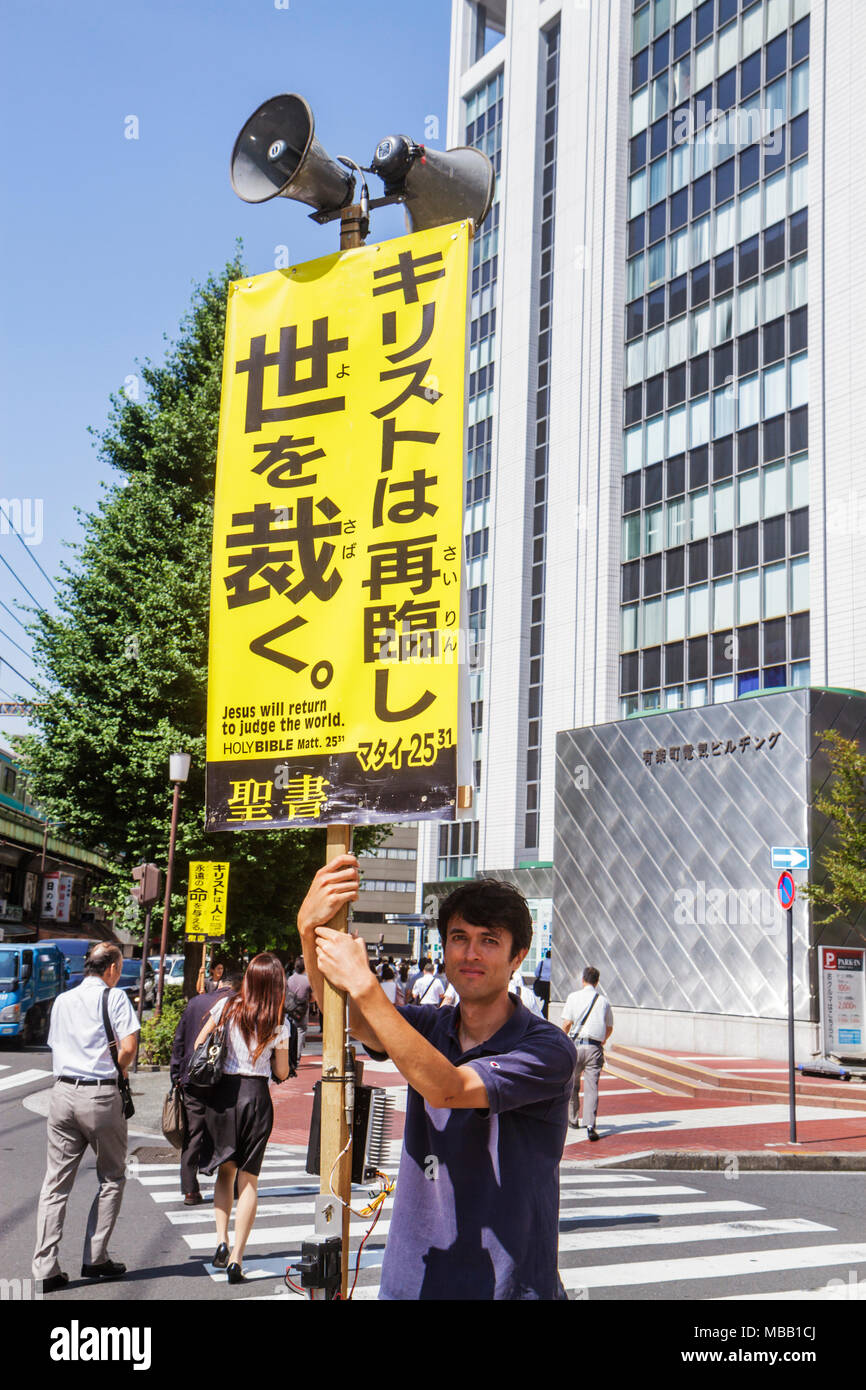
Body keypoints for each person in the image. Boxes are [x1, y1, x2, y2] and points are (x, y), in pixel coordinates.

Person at [299, 859, 576, 1301]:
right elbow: (352, 1022)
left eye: (489, 941)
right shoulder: (430, 1025)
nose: (471, 953)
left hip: (506, 1289)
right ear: (443, 947)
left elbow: (449, 1089)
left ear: (517, 957)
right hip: (413, 1281)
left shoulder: (545, 1047)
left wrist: (367, 985)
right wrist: (307, 932)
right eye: (459, 938)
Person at [32, 942, 139, 1292]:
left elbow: (55, 1044)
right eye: (119, 967)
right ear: (110, 969)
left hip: (61, 1093)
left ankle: (45, 1267)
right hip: (100, 1094)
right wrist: (117, 1071)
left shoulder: (63, 1000)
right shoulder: (115, 998)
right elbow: (128, 1049)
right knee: (111, 1177)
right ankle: (96, 1257)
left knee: (55, 1183)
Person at [193, 952, 290, 1284]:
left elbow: (200, 1041)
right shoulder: (278, 1021)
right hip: (257, 1098)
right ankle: (237, 1258)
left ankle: (221, 1240)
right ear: (277, 983)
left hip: (223, 1097)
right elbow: (281, 1070)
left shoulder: (226, 1007)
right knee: (249, 1180)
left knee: (225, 1172)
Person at [170, 965, 243, 1205]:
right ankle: (231, 1186)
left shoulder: (196, 1003)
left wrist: (177, 1075)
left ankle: (190, 1189)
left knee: (194, 1132)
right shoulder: (240, 1004)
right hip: (226, 1077)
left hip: (194, 1076)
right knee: (229, 1132)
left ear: (221, 982)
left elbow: (179, 1040)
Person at [560, 966, 614, 1142]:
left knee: (572, 1084)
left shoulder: (573, 997)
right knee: (592, 1088)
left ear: (583, 980)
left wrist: (561, 1039)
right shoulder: (603, 1001)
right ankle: (590, 1125)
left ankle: (572, 1119)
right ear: (597, 982)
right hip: (594, 1048)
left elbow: (567, 1023)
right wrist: (603, 1039)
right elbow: (609, 1027)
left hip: (574, 1046)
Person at [284, 957, 313, 1057]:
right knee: (301, 1030)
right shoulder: (307, 980)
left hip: (289, 1008)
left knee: (290, 1029)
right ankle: (297, 1055)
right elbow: (313, 997)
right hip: (302, 1008)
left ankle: (290, 1054)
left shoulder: (290, 979)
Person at [533, 949, 552, 1018]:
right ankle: (545, 1013)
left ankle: (544, 1013)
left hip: (542, 983)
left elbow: (536, 973)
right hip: (550, 984)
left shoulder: (542, 962)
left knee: (545, 1000)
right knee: (547, 1000)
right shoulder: (554, 963)